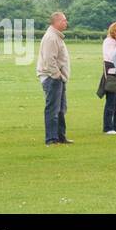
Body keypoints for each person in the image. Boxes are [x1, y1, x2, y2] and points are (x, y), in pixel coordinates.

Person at [36, 11, 71, 145]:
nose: (66, 23)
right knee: (53, 109)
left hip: (57, 78)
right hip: (52, 78)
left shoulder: (57, 36)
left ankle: (60, 137)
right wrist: (57, 76)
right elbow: (49, 60)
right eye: (64, 20)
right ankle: (51, 139)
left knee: (61, 109)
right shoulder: (51, 37)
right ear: (56, 22)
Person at [100, 22, 116, 135]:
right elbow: (113, 55)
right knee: (111, 101)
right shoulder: (108, 41)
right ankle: (107, 127)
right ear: (114, 30)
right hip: (111, 74)